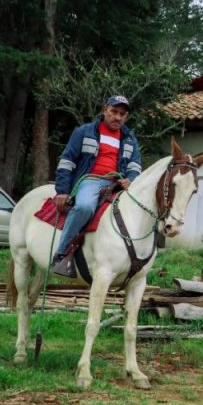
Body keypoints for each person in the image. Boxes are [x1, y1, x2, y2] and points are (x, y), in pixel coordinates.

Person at [51, 95, 142, 274]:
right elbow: (66, 161)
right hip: (90, 180)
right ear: (104, 109)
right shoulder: (84, 131)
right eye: (114, 111)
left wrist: (130, 178)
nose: (117, 117)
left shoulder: (130, 138)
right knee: (84, 207)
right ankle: (60, 254)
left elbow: (135, 165)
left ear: (126, 117)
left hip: (117, 183)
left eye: (122, 114)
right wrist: (62, 191)